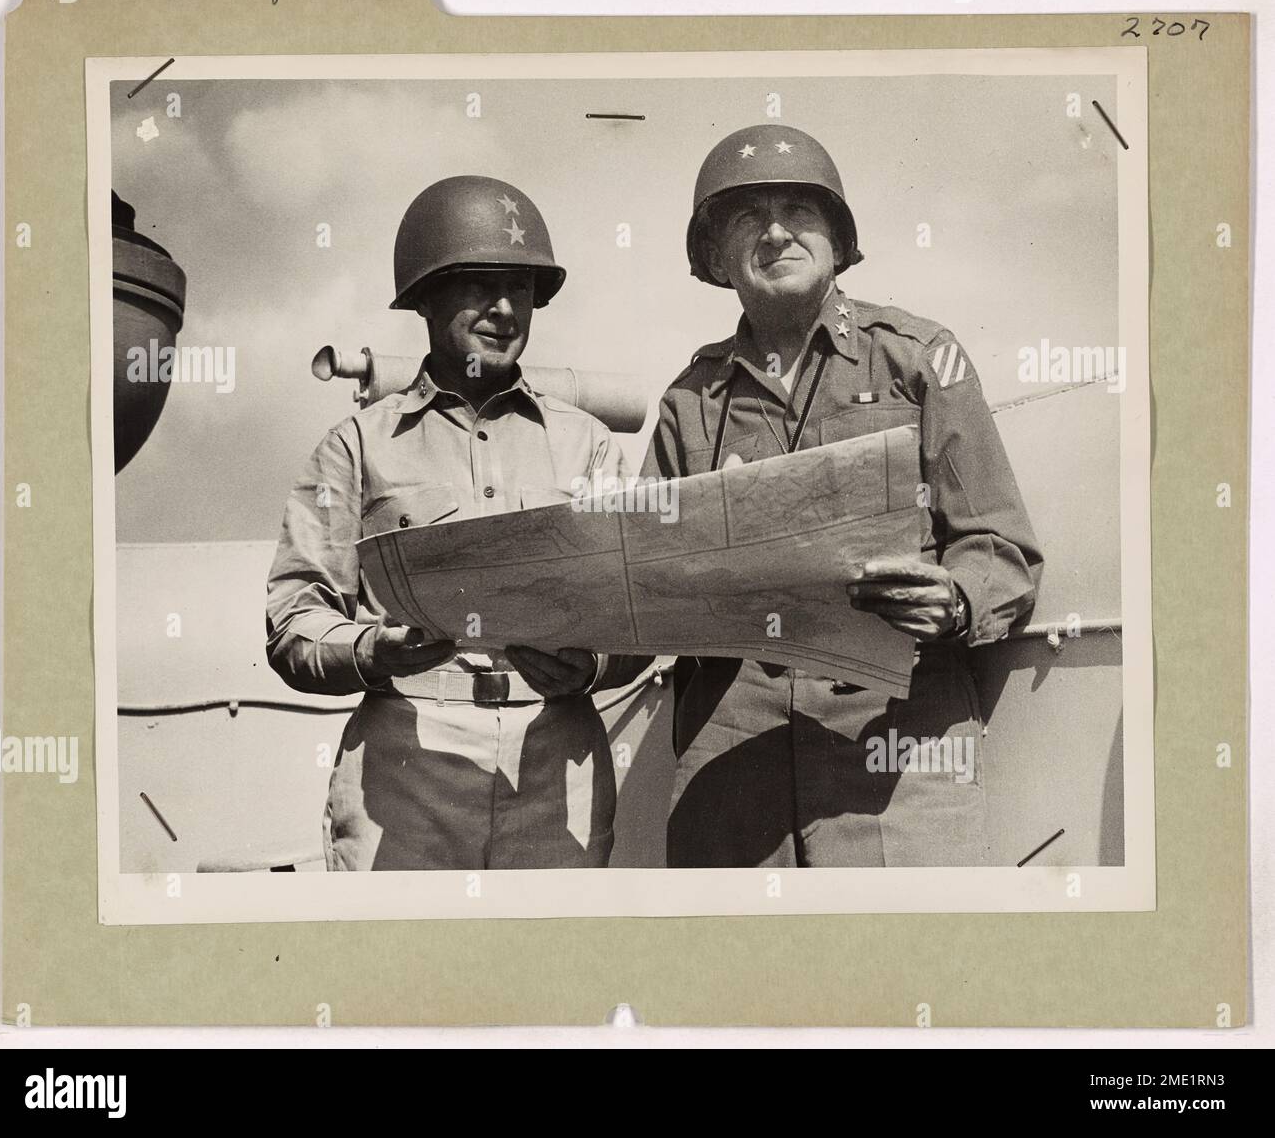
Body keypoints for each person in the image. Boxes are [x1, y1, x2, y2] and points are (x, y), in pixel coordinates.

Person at [643, 124, 1043, 867]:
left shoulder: (917, 362)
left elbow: (1002, 549)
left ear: (835, 237)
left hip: (896, 750)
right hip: (733, 767)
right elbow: (639, 579)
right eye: (744, 217)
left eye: (799, 209)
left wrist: (954, 600)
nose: (773, 232)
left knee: (901, 971)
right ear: (715, 256)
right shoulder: (689, 403)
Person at [266, 175, 629, 870]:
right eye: (477, 284)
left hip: (558, 774)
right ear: (425, 297)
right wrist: (373, 649)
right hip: (406, 776)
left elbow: (643, 608)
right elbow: (294, 617)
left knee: (555, 973)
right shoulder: (357, 445)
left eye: (520, 288)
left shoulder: (589, 444)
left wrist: (596, 662)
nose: (503, 307)